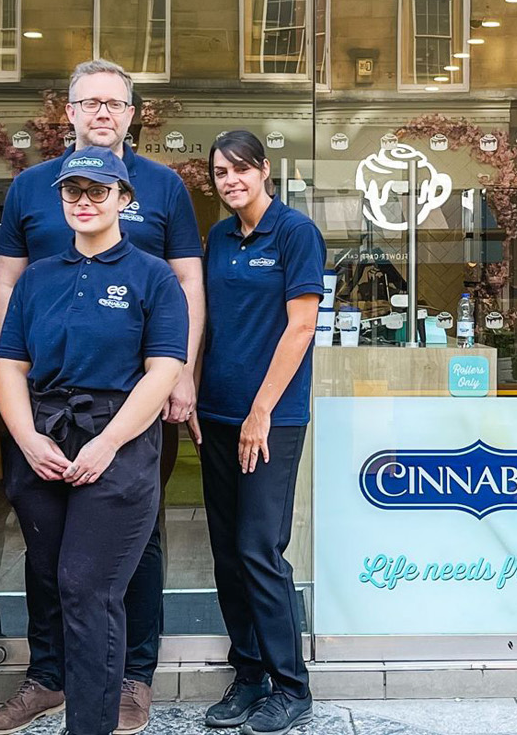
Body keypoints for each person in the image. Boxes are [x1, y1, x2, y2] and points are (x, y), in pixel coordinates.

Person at [0, 59, 204, 735]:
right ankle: (51, 676)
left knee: (124, 548)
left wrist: (181, 373)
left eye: (114, 102)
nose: (102, 112)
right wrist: (16, 390)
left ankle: (127, 679)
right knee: (51, 559)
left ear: (131, 114)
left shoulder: (164, 188)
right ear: (69, 113)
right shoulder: (29, 189)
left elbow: (187, 284)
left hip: (131, 398)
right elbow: (7, 289)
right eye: (89, 102)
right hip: (44, 405)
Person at [196, 130, 323, 735]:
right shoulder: (217, 238)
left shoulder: (296, 233)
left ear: (264, 170)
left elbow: (300, 328)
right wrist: (190, 392)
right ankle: (247, 676)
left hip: (270, 420)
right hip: (217, 416)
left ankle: (289, 685)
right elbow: (206, 323)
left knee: (259, 549)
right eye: (221, 173)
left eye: (240, 170)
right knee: (226, 553)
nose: (231, 181)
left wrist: (261, 411)